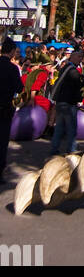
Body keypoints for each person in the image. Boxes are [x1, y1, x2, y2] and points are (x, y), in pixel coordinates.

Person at [48, 50, 84, 157]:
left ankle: (54, 149)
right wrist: (83, 81)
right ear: (72, 57)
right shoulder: (73, 71)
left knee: (59, 127)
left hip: (60, 101)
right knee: (71, 127)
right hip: (68, 102)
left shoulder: (65, 68)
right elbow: (77, 84)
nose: (80, 59)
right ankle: (71, 149)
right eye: (78, 56)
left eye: (81, 57)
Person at [0, 37, 23, 183]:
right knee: (1, 142)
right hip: (4, 108)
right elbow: (19, 88)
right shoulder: (12, 68)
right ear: (12, 52)